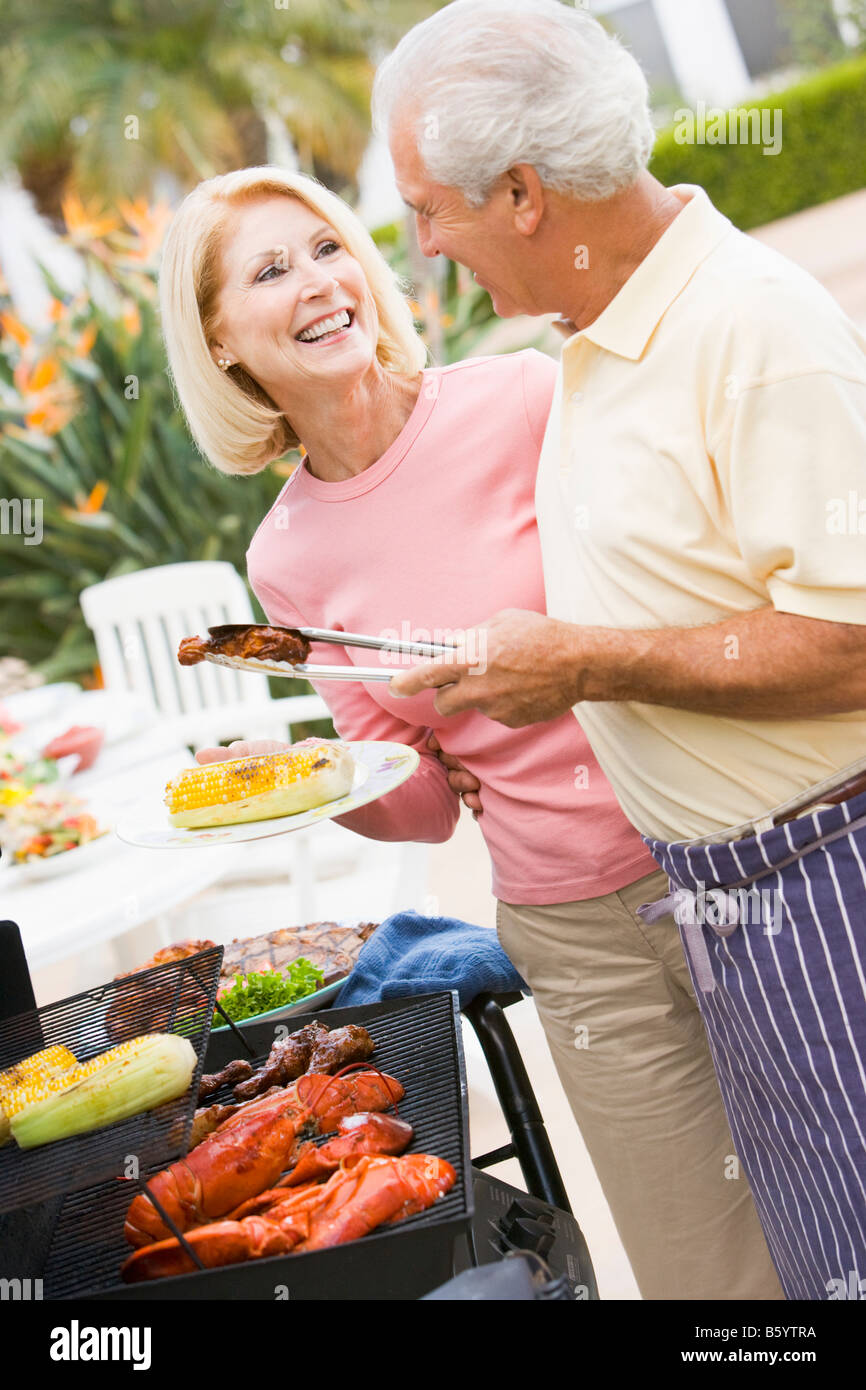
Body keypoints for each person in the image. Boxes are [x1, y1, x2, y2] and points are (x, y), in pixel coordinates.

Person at [158, 164, 780, 1300]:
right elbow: (419, 801)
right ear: (220, 340)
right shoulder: (286, 557)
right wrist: (305, 778)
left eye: (327, 247)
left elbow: (682, 583)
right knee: (704, 1271)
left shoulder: (523, 398)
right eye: (270, 270)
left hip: (729, 854)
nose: (319, 282)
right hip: (573, 931)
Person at [377, 0, 866, 1300]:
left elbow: (856, 646)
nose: (421, 243)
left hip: (827, 891)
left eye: (429, 206)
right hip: (737, 903)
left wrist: (580, 663)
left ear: (523, 192)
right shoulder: (593, 340)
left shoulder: (749, 330)